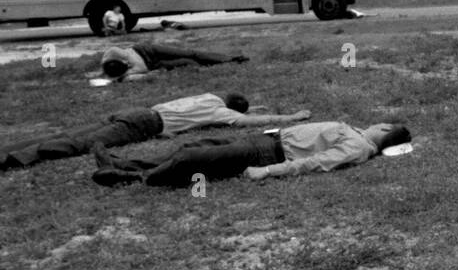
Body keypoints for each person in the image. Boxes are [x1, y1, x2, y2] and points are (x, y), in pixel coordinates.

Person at [0, 94, 310, 172]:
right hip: (144, 125)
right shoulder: (222, 115)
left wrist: (248, 111)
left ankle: (12, 148)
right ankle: (15, 158)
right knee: (78, 144)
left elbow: (245, 115)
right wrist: (292, 116)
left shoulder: (209, 98)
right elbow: (252, 122)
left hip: (136, 111)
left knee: (71, 132)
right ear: (235, 110)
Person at [91, 122, 411, 188]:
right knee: (194, 148)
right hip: (266, 139)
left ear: (383, 133)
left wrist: (267, 172)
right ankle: (123, 163)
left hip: (267, 153)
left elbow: (316, 162)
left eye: (383, 124)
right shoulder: (357, 134)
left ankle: (132, 178)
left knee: (191, 161)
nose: (377, 122)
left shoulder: (358, 147)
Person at [100, 42, 249, 81]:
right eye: (126, 67)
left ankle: (229, 58)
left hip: (148, 51)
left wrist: (128, 63)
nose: (128, 65)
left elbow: (115, 50)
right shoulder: (125, 77)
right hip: (155, 65)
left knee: (190, 53)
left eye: (126, 63)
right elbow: (148, 76)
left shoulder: (111, 54)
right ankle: (220, 63)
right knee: (187, 61)